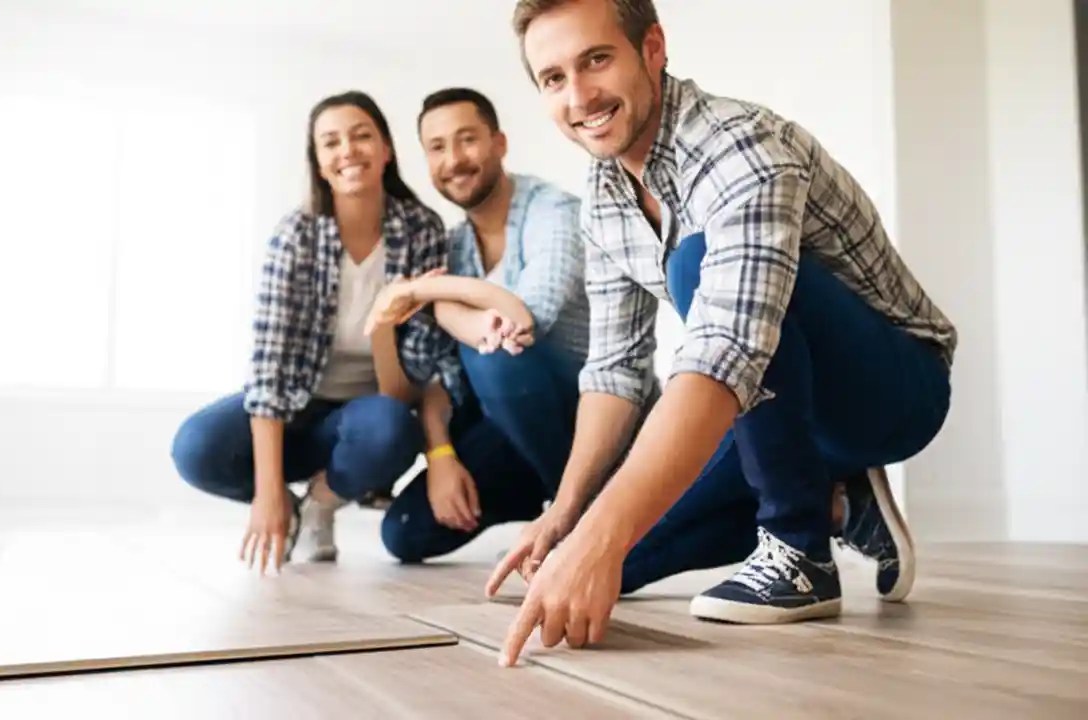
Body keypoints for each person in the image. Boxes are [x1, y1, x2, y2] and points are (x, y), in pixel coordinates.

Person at [489, 0, 957, 664]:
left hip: (895, 389)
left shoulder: (740, 143)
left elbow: (725, 349)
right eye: (553, 78)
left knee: (693, 263)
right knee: (611, 557)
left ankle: (799, 549)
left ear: (652, 48)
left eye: (597, 60)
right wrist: (566, 514)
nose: (579, 95)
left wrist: (600, 531)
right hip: (778, 402)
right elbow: (616, 370)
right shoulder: (603, 192)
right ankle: (835, 501)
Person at [170, 91, 454, 573]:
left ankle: (319, 506)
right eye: (331, 142)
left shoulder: (423, 231)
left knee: (391, 429)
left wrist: (384, 323)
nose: (348, 150)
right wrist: (267, 495)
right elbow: (269, 370)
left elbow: (408, 385)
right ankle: (288, 504)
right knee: (195, 448)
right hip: (294, 411)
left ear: (386, 150)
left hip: (365, 416)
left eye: (362, 136)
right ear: (319, 163)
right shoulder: (296, 236)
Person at [366, 88, 589, 562]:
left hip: (583, 416)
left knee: (494, 353)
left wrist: (424, 294)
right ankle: (538, 498)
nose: (454, 159)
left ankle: (575, 518)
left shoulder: (555, 212)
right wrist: (441, 456)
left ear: (499, 143)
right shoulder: (451, 247)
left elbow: (523, 321)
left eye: (467, 140)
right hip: (509, 425)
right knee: (404, 533)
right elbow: (438, 378)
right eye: (438, 147)